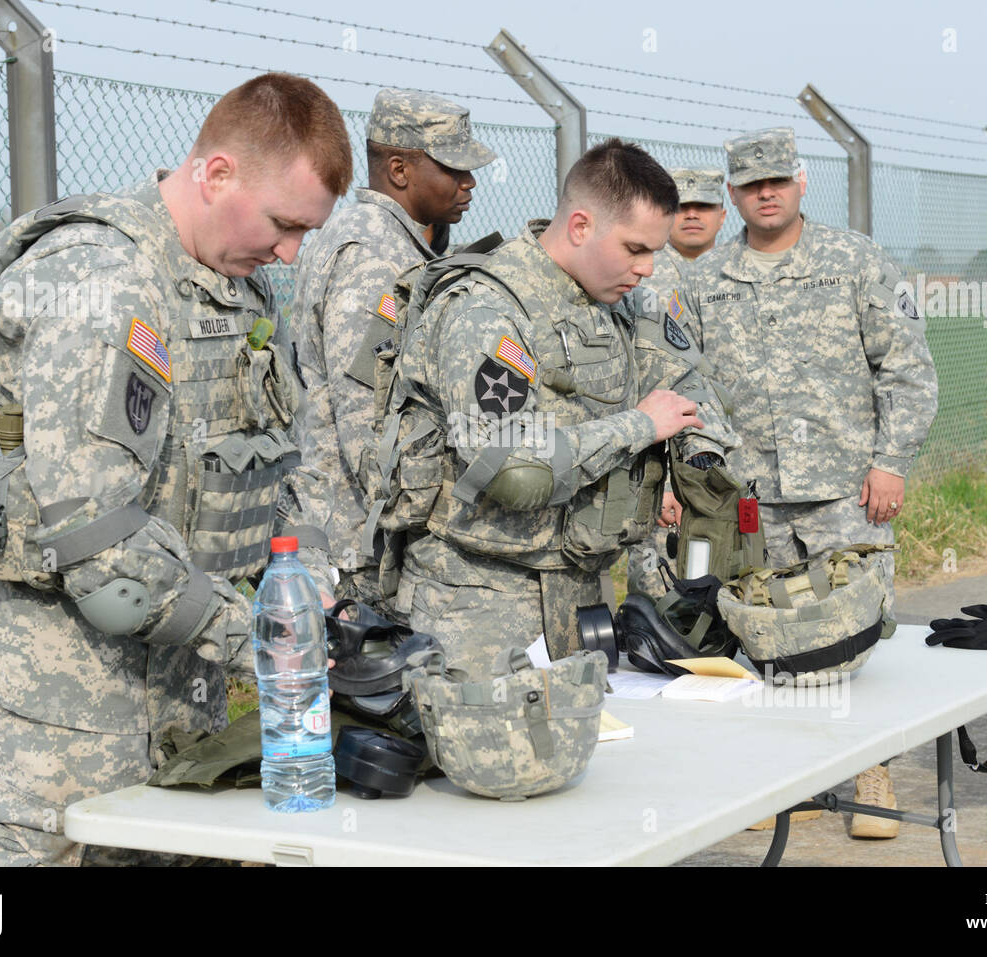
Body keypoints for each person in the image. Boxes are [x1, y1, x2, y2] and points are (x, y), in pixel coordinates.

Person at [0, 73, 352, 866]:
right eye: (284, 224)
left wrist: (309, 589)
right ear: (216, 173)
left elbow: (287, 472)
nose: (290, 252)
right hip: (47, 753)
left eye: (305, 233)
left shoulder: (239, 291)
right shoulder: (97, 278)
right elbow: (103, 552)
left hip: (179, 729)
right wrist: (270, 642)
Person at [384, 138, 738, 678]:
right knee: (486, 755)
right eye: (635, 249)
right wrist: (640, 426)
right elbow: (511, 469)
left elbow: (687, 379)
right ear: (580, 226)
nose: (646, 269)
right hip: (483, 603)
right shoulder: (488, 309)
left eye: (653, 253)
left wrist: (700, 455)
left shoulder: (619, 299)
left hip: (582, 591)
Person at [692, 127, 938, 838]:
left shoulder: (855, 261)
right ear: (733, 193)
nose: (765, 193)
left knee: (860, 630)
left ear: (802, 183)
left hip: (844, 488)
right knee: (768, 637)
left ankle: (874, 774)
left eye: (777, 180)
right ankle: (788, 776)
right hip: (749, 496)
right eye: (750, 183)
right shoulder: (707, 281)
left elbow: (907, 368)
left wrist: (891, 460)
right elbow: (688, 383)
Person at [291, 89, 494, 613]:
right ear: (400, 170)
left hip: (363, 535)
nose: (469, 182)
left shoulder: (392, 242)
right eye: (454, 168)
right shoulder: (375, 255)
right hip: (359, 546)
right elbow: (368, 417)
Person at [628, 167, 728, 599]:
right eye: (682, 207)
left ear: (722, 215)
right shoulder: (644, 277)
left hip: (731, 458)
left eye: (703, 206)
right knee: (666, 587)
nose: (692, 216)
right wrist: (671, 482)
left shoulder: (734, 276)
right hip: (672, 461)